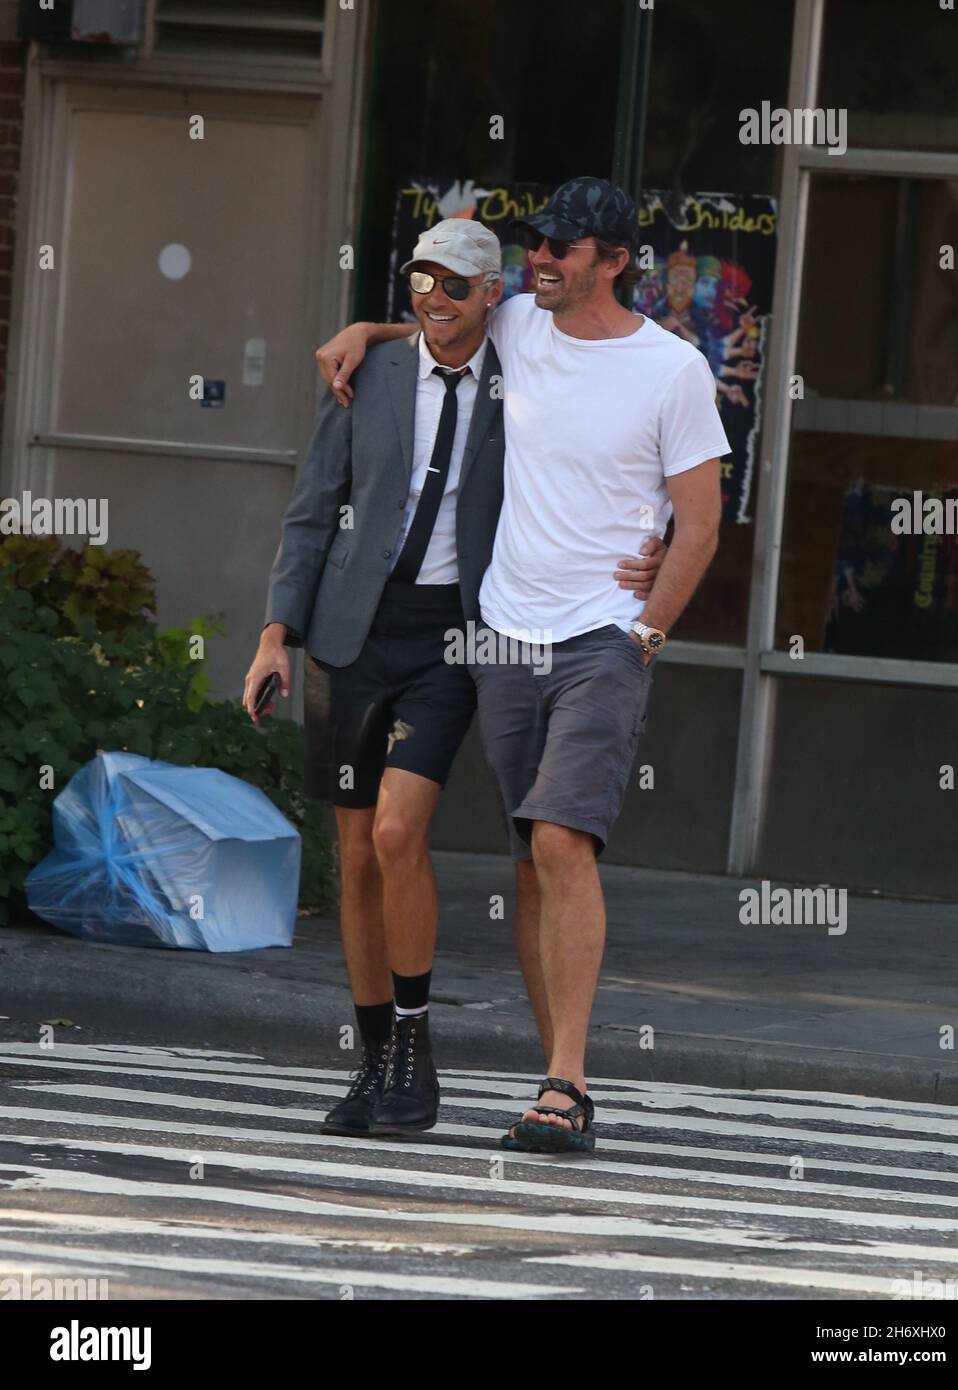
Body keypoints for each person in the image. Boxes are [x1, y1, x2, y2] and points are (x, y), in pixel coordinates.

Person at [316, 177, 730, 1154]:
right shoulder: (517, 323)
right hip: (502, 635)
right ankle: (554, 1073)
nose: (539, 257)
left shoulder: (673, 370)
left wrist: (647, 633)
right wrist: (366, 332)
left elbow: (703, 523)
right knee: (532, 860)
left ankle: (567, 1085)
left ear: (614, 261)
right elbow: (442, 318)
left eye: (562, 246)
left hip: (604, 640)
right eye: (536, 240)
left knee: (560, 842)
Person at [243, 216, 662, 1139]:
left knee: (398, 832)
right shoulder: (367, 375)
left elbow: (604, 441)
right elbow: (311, 513)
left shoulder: (523, 373)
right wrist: (276, 636)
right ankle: (378, 1063)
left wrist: (656, 535)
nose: (434, 300)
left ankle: (415, 1042)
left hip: (454, 638)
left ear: (493, 296)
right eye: (419, 282)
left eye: (455, 286)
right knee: (355, 853)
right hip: (349, 633)